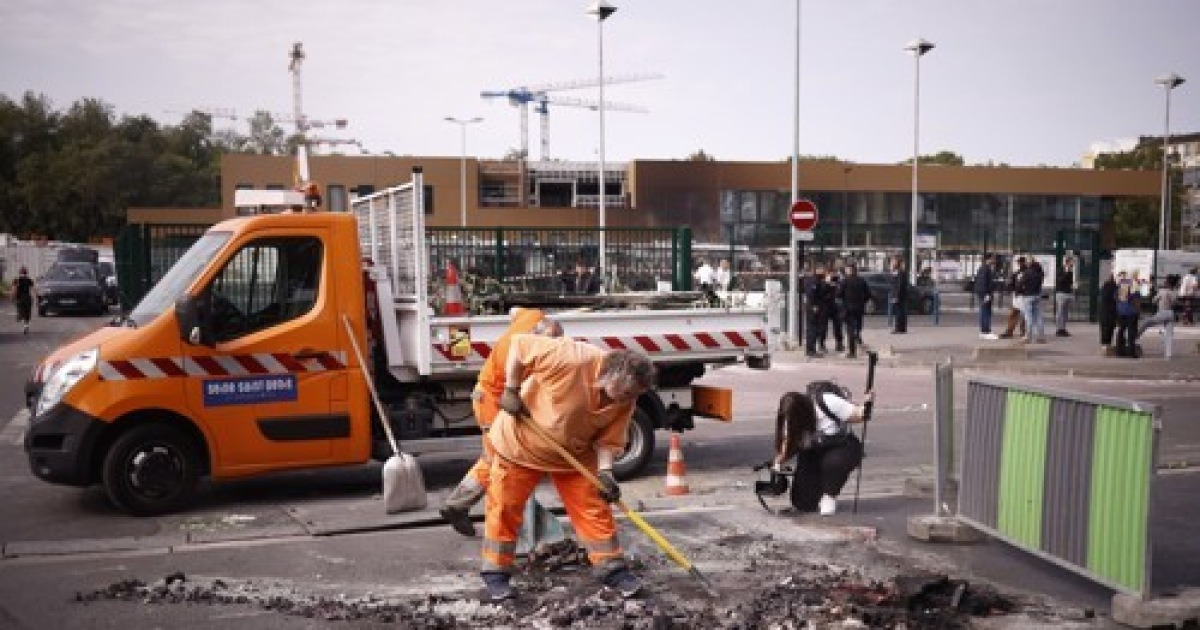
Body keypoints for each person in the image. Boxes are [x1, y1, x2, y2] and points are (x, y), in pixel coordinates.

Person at [481, 337, 656, 601]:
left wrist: (606, 472)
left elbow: (608, 439)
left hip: (574, 453)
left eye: (635, 396)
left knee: (595, 507)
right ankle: (496, 576)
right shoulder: (572, 359)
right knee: (505, 507)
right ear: (614, 375)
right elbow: (520, 345)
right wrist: (511, 389)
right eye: (628, 393)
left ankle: (613, 570)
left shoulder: (626, 399)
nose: (630, 400)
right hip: (521, 442)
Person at [439, 308, 563, 537]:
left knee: (494, 458)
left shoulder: (532, 316)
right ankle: (465, 508)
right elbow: (517, 392)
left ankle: (461, 505)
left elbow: (513, 310)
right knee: (499, 459)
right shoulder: (519, 355)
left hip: (487, 396)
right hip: (492, 403)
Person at [769, 383, 876, 516]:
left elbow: (858, 415)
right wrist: (778, 463)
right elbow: (787, 443)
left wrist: (867, 405)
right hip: (812, 452)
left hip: (841, 447)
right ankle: (810, 497)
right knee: (804, 504)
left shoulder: (827, 401)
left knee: (833, 463)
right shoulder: (790, 418)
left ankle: (829, 496)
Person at [1137, 276, 1178, 359]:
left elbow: (1153, 300)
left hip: (1162, 312)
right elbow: (1175, 302)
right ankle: (1168, 354)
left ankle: (1135, 336)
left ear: (1167, 283)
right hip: (1170, 313)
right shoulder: (1174, 292)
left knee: (1146, 322)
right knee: (1169, 334)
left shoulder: (1162, 291)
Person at [838, 264, 870, 359]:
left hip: (848, 308)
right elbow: (868, 294)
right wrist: (862, 301)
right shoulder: (862, 281)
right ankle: (858, 337)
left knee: (850, 330)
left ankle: (852, 351)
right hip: (859, 308)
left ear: (850, 271)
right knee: (858, 326)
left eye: (847, 270)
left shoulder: (845, 281)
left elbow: (839, 294)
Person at [803, 266, 830, 357]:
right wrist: (814, 306)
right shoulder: (814, 281)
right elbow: (812, 294)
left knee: (813, 328)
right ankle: (811, 350)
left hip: (814, 307)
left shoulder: (813, 280)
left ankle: (811, 349)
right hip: (814, 308)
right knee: (812, 329)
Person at [999, 257, 1028, 339]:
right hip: (1017, 296)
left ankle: (1023, 332)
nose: (1020, 264)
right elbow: (1012, 283)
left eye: (1021, 262)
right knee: (1014, 314)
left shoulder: (1027, 272)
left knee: (1023, 315)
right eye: (1019, 262)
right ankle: (1010, 331)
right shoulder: (1017, 273)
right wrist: (1010, 288)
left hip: (1024, 296)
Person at [1114, 271, 1141, 358]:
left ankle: (1119, 350)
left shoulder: (1120, 284)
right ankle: (1132, 352)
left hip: (1121, 311)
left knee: (1121, 330)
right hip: (1131, 311)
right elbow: (1135, 298)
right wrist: (1138, 309)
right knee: (1131, 332)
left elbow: (1116, 297)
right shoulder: (1134, 284)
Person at [1020, 260, 1046, 344]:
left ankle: (1028, 337)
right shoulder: (1040, 274)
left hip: (1028, 296)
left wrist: (1020, 290)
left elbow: (1021, 283)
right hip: (1037, 296)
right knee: (1039, 317)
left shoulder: (1027, 272)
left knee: (1028, 317)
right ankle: (1041, 337)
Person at [974, 254, 999, 340]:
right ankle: (986, 331)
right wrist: (985, 294)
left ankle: (985, 331)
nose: (994, 260)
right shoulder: (985, 268)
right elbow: (983, 282)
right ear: (989, 259)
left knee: (985, 311)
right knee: (986, 312)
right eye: (993, 258)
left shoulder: (984, 268)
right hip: (985, 293)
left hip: (985, 293)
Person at [1054, 256, 1076, 337]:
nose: (1073, 264)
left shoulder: (1071, 271)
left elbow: (1069, 282)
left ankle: (1063, 328)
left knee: (1065, 313)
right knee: (1060, 312)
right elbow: (1060, 280)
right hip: (1061, 293)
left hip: (1068, 293)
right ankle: (1059, 329)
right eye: (1072, 262)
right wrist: (1067, 272)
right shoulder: (1061, 269)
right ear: (1067, 262)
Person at [1098, 271, 1118, 352]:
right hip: (1109, 311)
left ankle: (1105, 345)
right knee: (1108, 329)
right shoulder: (1112, 287)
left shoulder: (1105, 286)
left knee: (1106, 329)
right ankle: (1106, 345)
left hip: (1105, 311)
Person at [13, 267, 35, 334]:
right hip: (27, 298)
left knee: (20, 309)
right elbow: (33, 289)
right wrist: (35, 297)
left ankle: (20, 316)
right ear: (26, 273)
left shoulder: (16, 280)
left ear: (20, 273)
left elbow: (15, 289)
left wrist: (12, 296)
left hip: (20, 298)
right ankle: (26, 326)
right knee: (27, 312)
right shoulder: (29, 280)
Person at [890, 258, 908, 334]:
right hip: (899, 295)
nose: (891, 264)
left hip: (899, 296)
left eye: (893, 262)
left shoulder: (900, 273)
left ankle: (898, 328)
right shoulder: (898, 272)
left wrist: (896, 296)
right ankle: (901, 328)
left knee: (899, 312)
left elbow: (899, 285)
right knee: (900, 312)